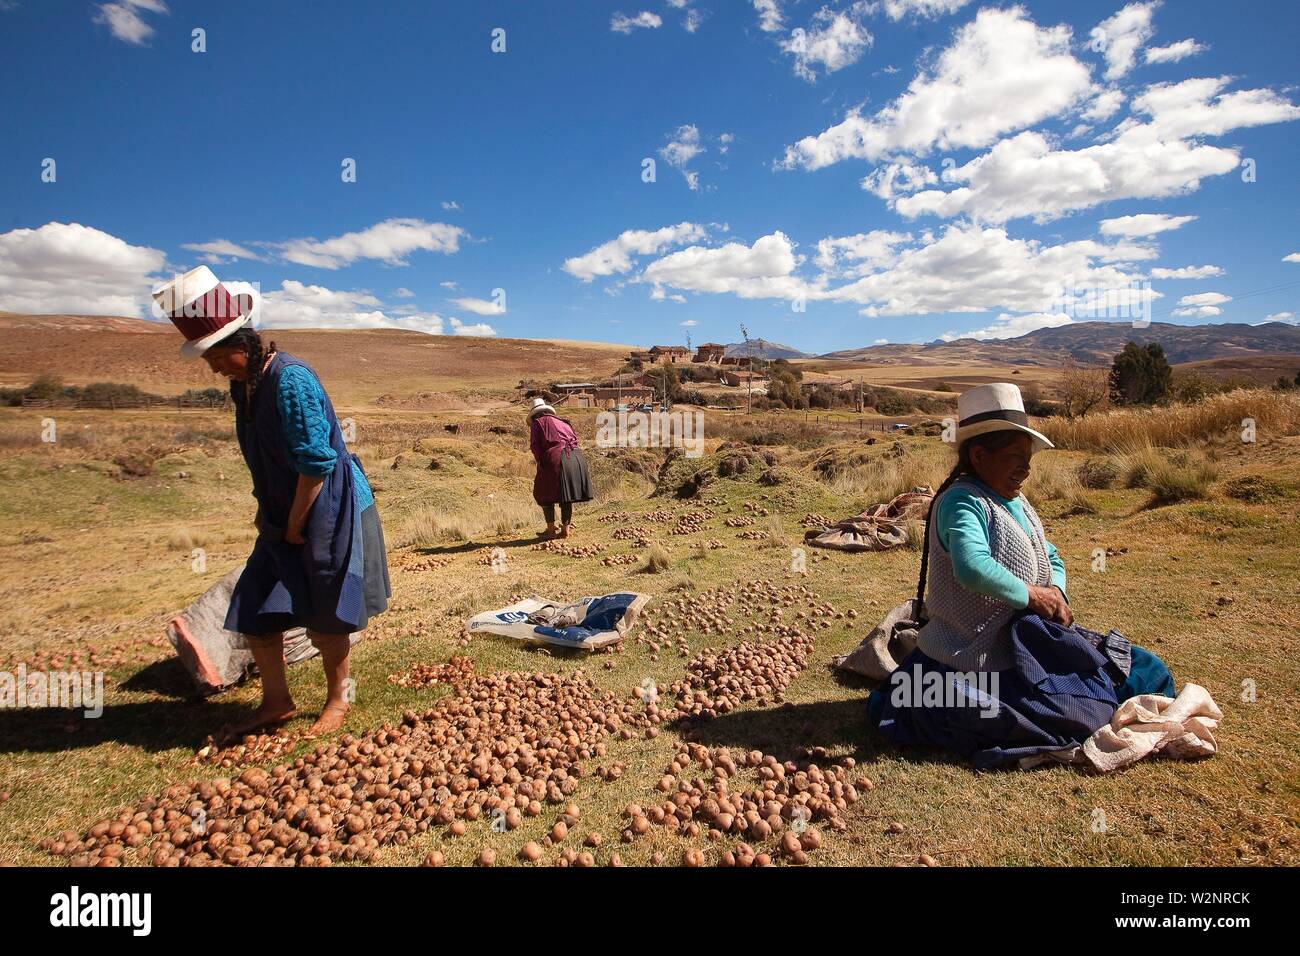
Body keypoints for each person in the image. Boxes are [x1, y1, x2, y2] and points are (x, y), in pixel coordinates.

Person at [868, 383, 1174, 767]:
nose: (1026, 468)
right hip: (972, 656)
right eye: (1016, 457)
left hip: (1028, 645)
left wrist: (1057, 592)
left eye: (1028, 458)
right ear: (979, 456)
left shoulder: (1016, 500)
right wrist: (1035, 596)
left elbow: (1051, 554)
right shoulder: (962, 502)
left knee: (1146, 670)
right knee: (1078, 717)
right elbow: (972, 567)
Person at [154, 266, 390, 740]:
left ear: (238, 345)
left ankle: (339, 698)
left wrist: (296, 524)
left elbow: (316, 463)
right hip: (285, 510)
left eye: (215, 358)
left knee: (327, 606)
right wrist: (270, 512)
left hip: (326, 505)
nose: (214, 369)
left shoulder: (291, 380)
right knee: (257, 602)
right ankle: (277, 701)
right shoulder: (245, 387)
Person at [527, 396, 592, 538]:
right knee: (566, 494)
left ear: (535, 415)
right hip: (576, 458)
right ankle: (565, 530)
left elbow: (535, 446)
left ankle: (550, 531)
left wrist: (541, 462)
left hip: (556, 457)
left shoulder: (537, 423)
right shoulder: (564, 422)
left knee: (543, 491)